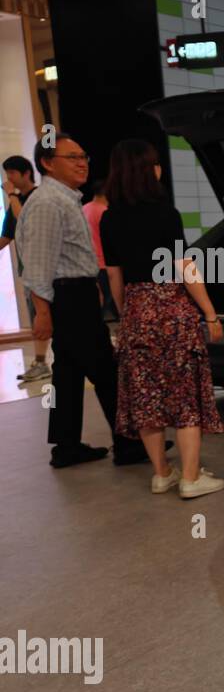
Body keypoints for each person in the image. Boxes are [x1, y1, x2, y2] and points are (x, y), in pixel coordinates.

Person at [15, 133, 153, 469]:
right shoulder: (48, 202)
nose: (82, 163)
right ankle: (128, 442)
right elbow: (37, 263)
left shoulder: (64, 199)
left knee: (69, 371)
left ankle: (66, 446)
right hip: (68, 297)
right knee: (104, 368)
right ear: (47, 164)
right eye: (72, 157)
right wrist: (42, 312)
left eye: (83, 156)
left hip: (75, 293)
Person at [101, 138, 224, 499]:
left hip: (137, 310)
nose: (160, 169)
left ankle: (161, 474)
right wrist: (209, 312)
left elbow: (114, 276)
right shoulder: (164, 213)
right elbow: (183, 266)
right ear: (146, 171)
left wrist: (128, 316)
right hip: (172, 308)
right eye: (155, 163)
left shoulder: (110, 218)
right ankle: (190, 478)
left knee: (147, 397)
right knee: (185, 397)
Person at [1, 154, 50, 383]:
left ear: (26, 173)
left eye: (11, 173)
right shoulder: (14, 203)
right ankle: (41, 363)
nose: (8, 178)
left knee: (55, 315)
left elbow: (26, 222)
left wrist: (10, 195)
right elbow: (6, 237)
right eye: (6, 173)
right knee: (37, 317)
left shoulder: (40, 197)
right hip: (30, 271)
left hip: (50, 269)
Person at [82, 180, 116, 320]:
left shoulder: (83, 208)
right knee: (107, 307)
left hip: (87, 265)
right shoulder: (104, 212)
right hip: (104, 265)